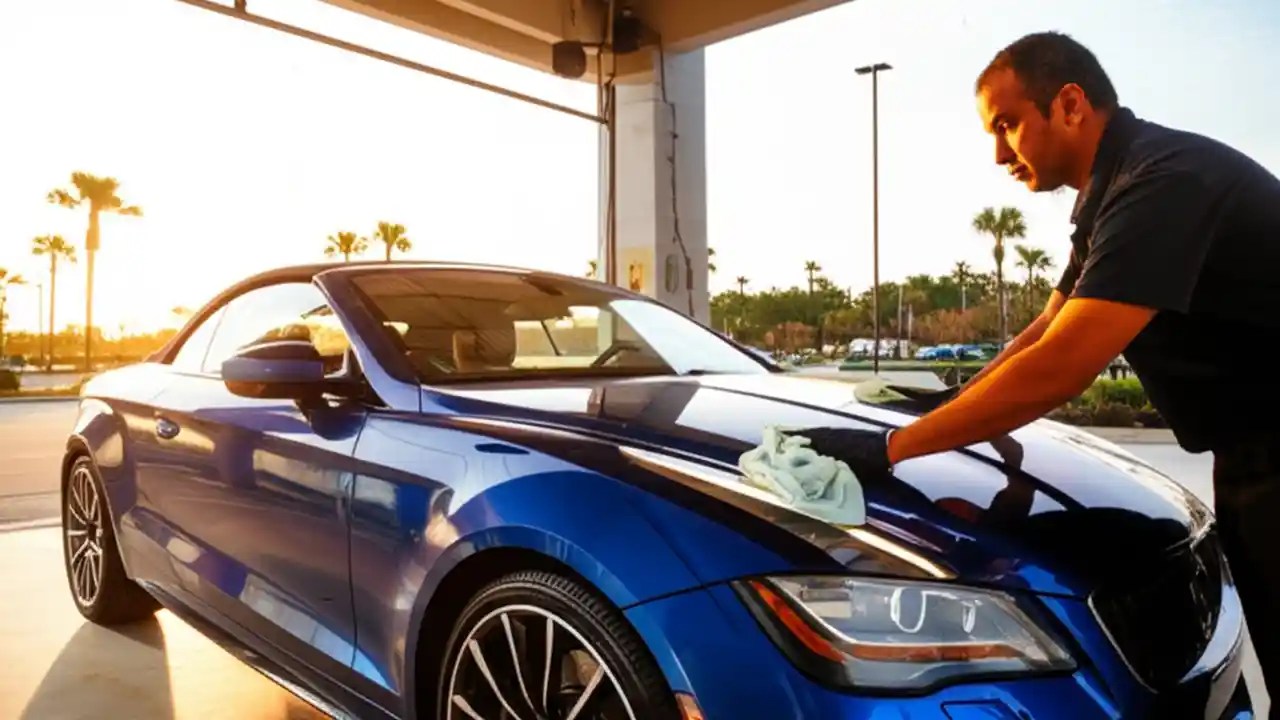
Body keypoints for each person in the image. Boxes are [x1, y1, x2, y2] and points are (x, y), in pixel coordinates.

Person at [794, 30, 1280, 701]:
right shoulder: (1116, 193)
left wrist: (890, 451)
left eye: (1007, 125)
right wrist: (947, 404)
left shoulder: (1162, 182)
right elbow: (1043, 331)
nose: (998, 154)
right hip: (1251, 456)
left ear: (1070, 105)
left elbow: (1062, 365)